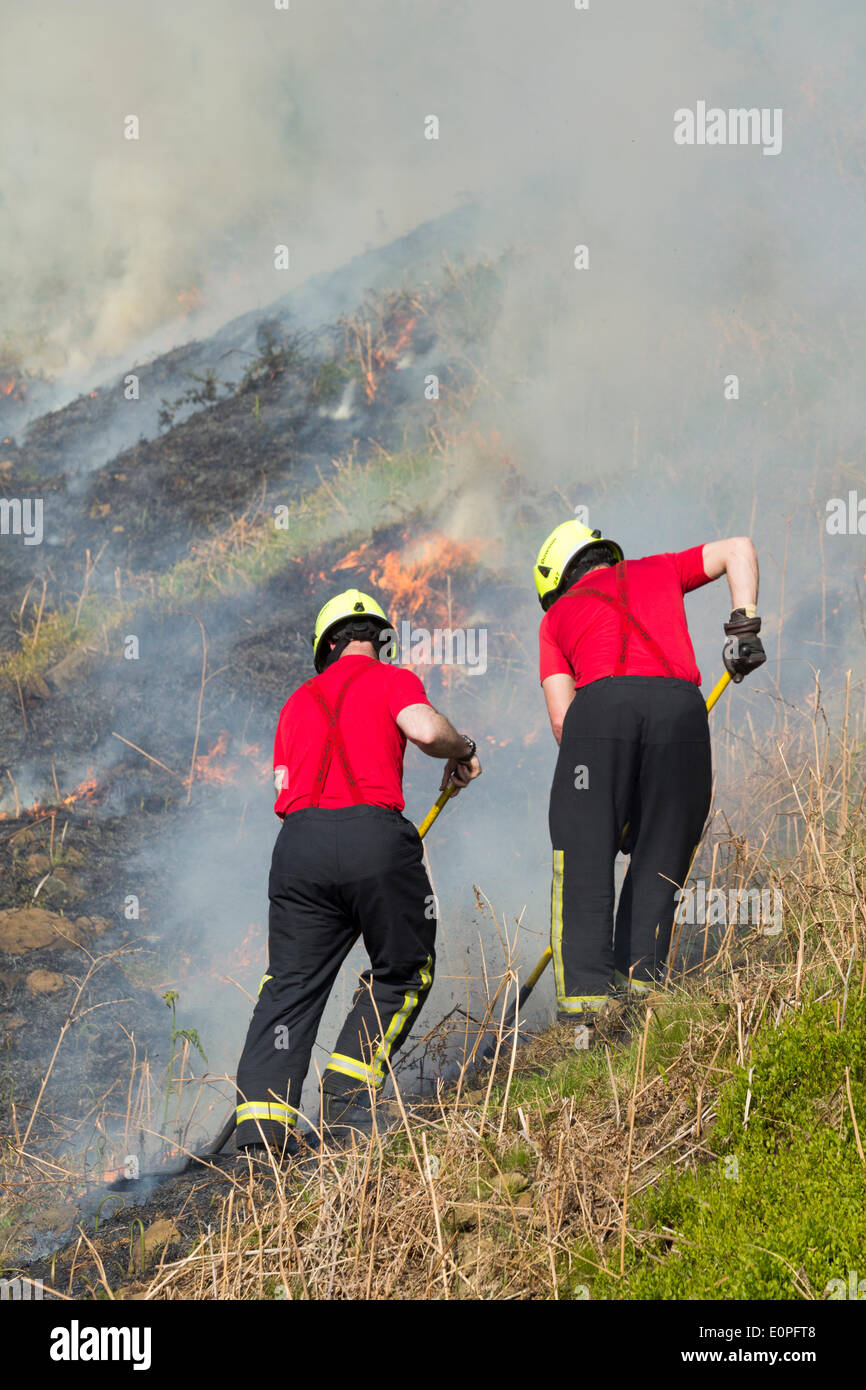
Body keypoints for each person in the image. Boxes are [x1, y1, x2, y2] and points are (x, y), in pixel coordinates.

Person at [234, 588, 482, 1153]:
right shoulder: (392, 681)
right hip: (373, 838)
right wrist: (461, 747)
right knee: (404, 969)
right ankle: (347, 1097)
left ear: (327, 647)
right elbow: (423, 730)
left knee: (289, 987)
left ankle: (259, 1136)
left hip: (297, 850)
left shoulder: (297, 701)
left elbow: (282, 787)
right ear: (379, 641)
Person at [534, 521, 765, 1045]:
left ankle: (586, 1023)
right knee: (663, 851)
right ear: (604, 556)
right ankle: (640, 999)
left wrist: (600, 798)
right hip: (681, 711)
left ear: (556, 581)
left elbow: (561, 720)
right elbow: (738, 548)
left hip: (597, 715)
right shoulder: (660, 566)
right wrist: (744, 628)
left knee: (584, 855)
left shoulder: (556, 619)